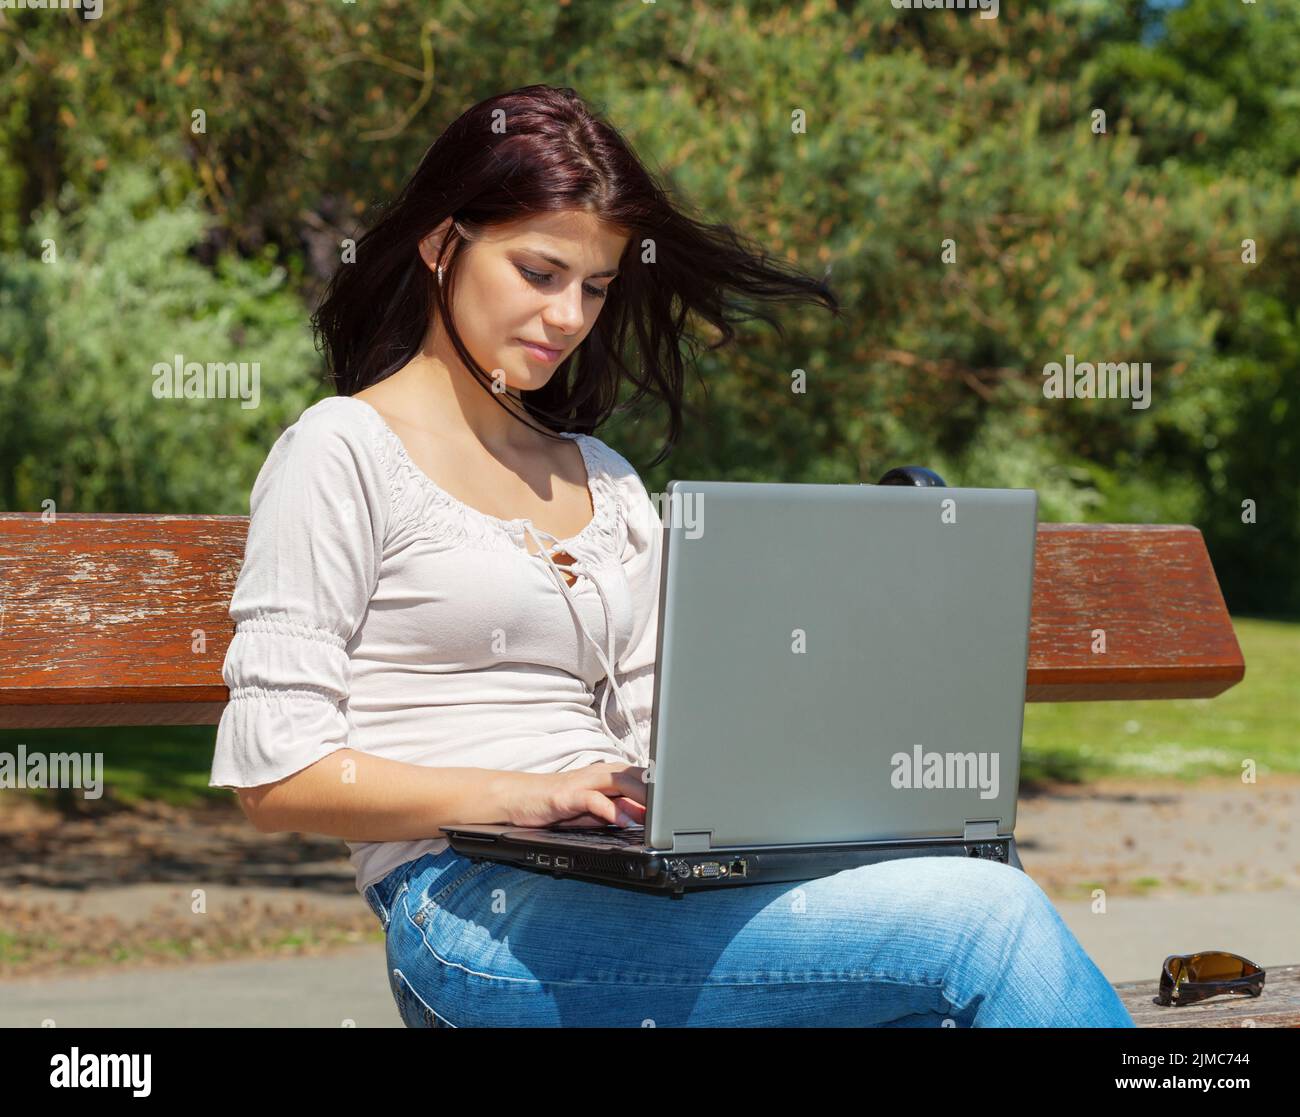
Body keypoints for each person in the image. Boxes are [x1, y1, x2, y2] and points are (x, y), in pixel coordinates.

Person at [209, 84, 1135, 1028]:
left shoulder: (601, 476)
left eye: (598, 287)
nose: (570, 316)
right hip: (472, 909)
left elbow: (669, 724)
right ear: (443, 244)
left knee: (960, 874)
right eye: (539, 272)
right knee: (982, 929)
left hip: (645, 877)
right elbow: (277, 778)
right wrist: (526, 798)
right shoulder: (341, 450)